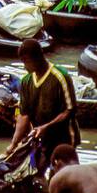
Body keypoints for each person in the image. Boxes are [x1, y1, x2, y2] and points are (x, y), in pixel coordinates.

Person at [5, 38, 80, 173]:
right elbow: (24, 115)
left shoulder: (60, 76)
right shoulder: (26, 82)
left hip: (63, 139)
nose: (25, 66)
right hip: (42, 140)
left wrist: (46, 127)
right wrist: (13, 143)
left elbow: (70, 110)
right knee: (36, 174)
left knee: (62, 178)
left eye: (26, 61)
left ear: (37, 58)